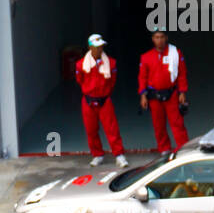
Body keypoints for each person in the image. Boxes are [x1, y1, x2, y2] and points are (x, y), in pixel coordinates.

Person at [75, 32, 128, 168]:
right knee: (91, 129)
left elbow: (112, 81)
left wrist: (105, 92)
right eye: (97, 47)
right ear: (90, 47)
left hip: (104, 100)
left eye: (101, 47)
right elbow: (80, 80)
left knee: (112, 129)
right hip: (88, 101)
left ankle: (119, 155)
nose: (99, 49)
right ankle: (97, 154)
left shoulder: (111, 63)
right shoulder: (81, 65)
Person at [138, 29, 189, 154]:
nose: (159, 40)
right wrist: (143, 95)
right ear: (153, 39)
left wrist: (182, 92)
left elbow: (182, 74)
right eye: (156, 37)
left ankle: (184, 149)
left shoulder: (175, 53)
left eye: (161, 37)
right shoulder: (146, 57)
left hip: (172, 94)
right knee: (158, 125)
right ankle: (164, 149)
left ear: (166, 38)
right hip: (154, 96)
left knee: (177, 123)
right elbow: (142, 77)